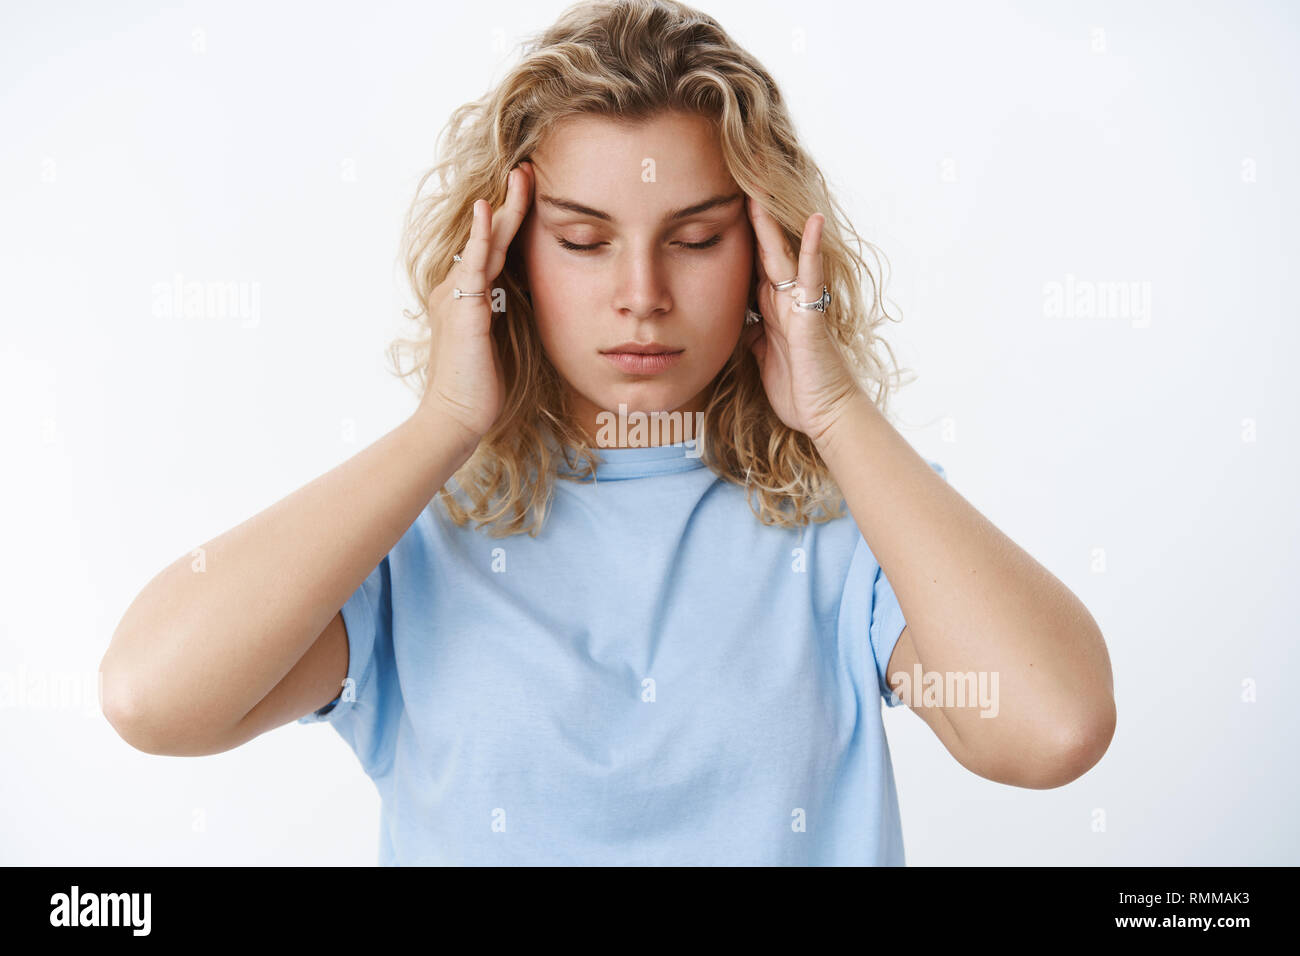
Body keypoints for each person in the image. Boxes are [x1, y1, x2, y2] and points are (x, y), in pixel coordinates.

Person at [101, 0, 1116, 865]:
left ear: (764, 249)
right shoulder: (410, 538)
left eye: (697, 238)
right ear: (506, 258)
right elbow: (151, 696)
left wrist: (839, 415)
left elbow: (1056, 724)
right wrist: (446, 423)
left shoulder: (851, 521)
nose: (642, 296)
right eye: (584, 241)